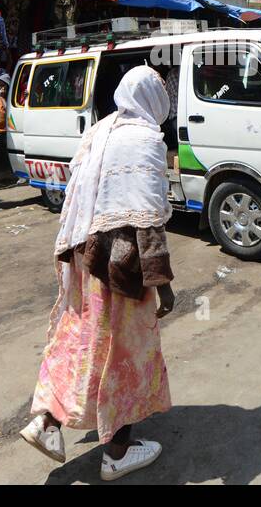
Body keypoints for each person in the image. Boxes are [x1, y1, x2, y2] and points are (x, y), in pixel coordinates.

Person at [20, 66, 175, 482]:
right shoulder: (146, 139)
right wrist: (164, 284)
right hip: (122, 267)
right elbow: (146, 220)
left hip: (83, 261)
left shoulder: (98, 132)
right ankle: (117, 454)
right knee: (126, 357)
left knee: (83, 344)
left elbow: (77, 199)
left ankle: (47, 423)